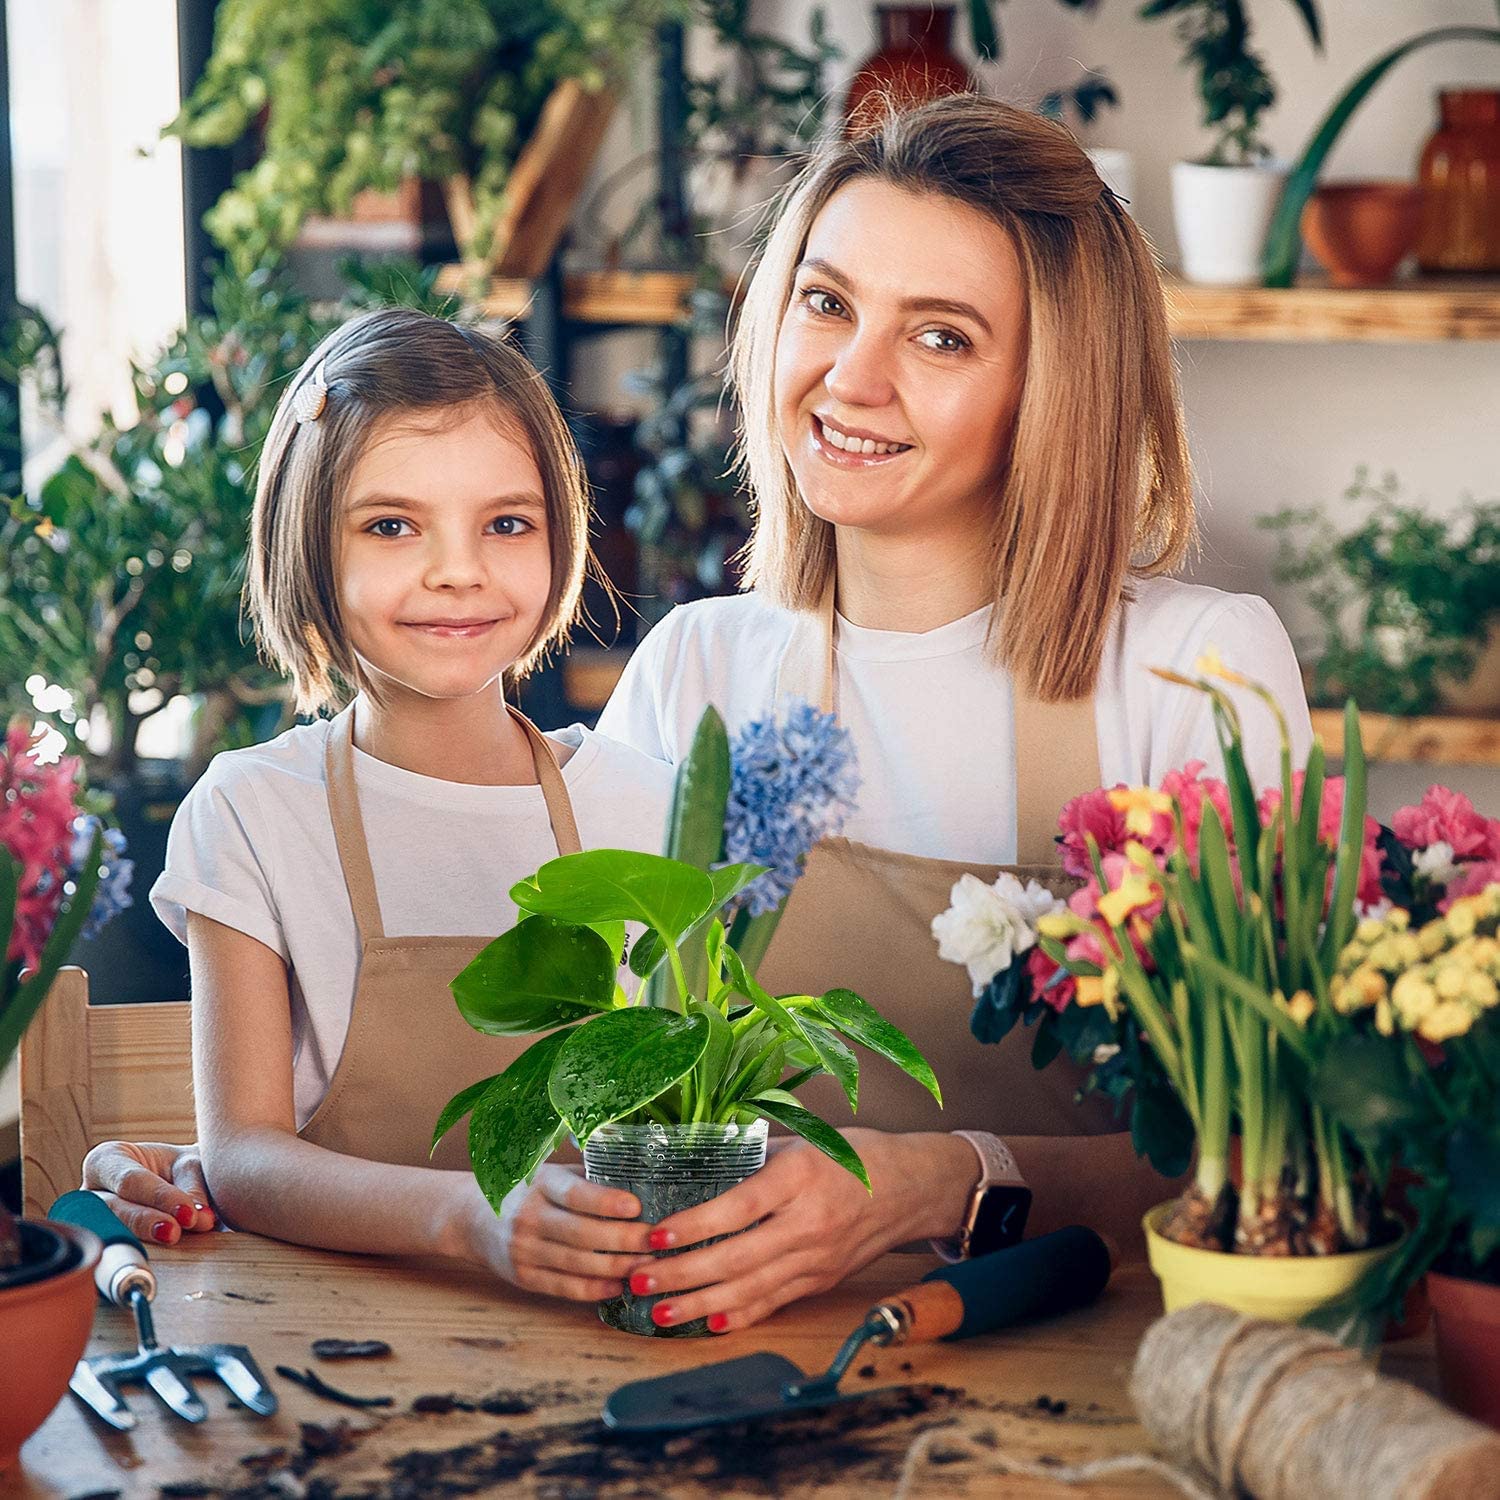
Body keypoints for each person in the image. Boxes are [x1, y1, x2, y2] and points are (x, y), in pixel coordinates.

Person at [85, 97, 1312, 1333]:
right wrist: (217, 1171)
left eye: (941, 337)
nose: (851, 375)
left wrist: (944, 1179)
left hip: (1108, 1364)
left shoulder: (1192, 673)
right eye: (826, 304)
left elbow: (1281, 1149)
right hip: (752, 1376)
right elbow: (524, 1044)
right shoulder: (698, 674)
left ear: (1056, 387)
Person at [97, 305, 676, 1306]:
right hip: (322, 1332)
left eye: (506, 523)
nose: (459, 569)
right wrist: (472, 1217)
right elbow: (244, 1158)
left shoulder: (642, 803)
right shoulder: (252, 812)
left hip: (597, 1322)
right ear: (308, 545)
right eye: (393, 525)